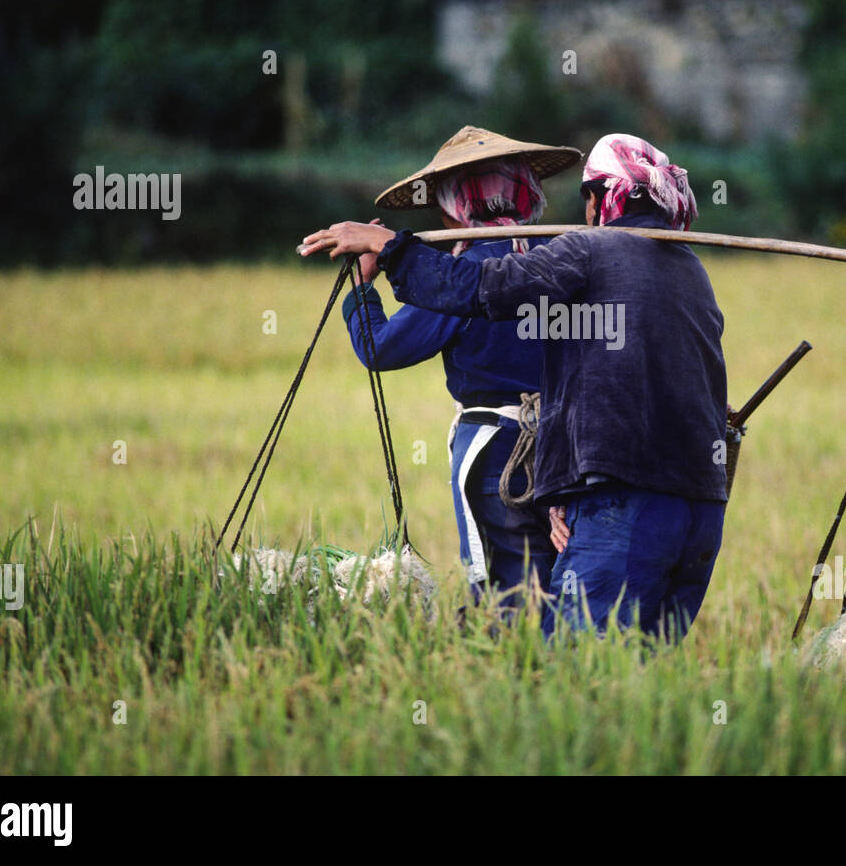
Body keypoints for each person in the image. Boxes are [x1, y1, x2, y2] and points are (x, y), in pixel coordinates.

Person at [301, 134, 728, 641]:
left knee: (528, 617)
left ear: (457, 205)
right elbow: (618, 375)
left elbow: (398, 339)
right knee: (619, 642)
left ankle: (498, 676)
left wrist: (383, 263)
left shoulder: (559, 257)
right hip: (636, 481)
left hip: (532, 464)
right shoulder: (680, 268)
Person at [322, 125, 582, 612]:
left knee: (500, 591)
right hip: (569, 450)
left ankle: (494, 670)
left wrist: (362, 290)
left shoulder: (460, 278)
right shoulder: (564, 263)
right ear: (525, 195)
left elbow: (381, 349)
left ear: (453, 206)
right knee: (553, 584)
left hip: (497, 452)